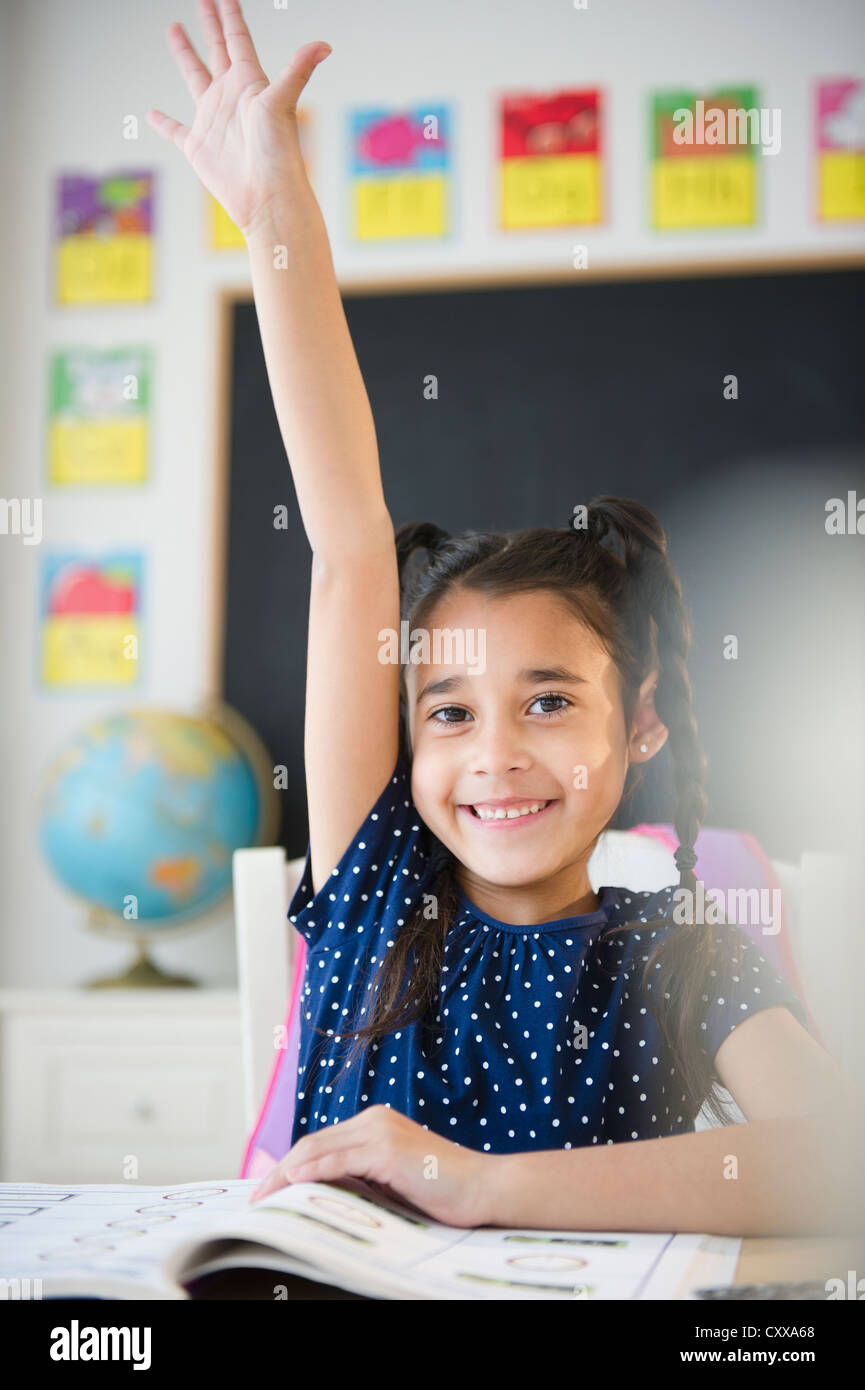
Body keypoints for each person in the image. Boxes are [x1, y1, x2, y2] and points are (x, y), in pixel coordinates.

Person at [149, 0, 863, 1237]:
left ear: (637, 723)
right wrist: (273, 218)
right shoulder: (378, 882)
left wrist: (478, 1186)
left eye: (547, 700)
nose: (494, 753)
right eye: (448, 711)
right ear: (407, 740)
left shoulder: (681, 951)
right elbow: (346, 539)